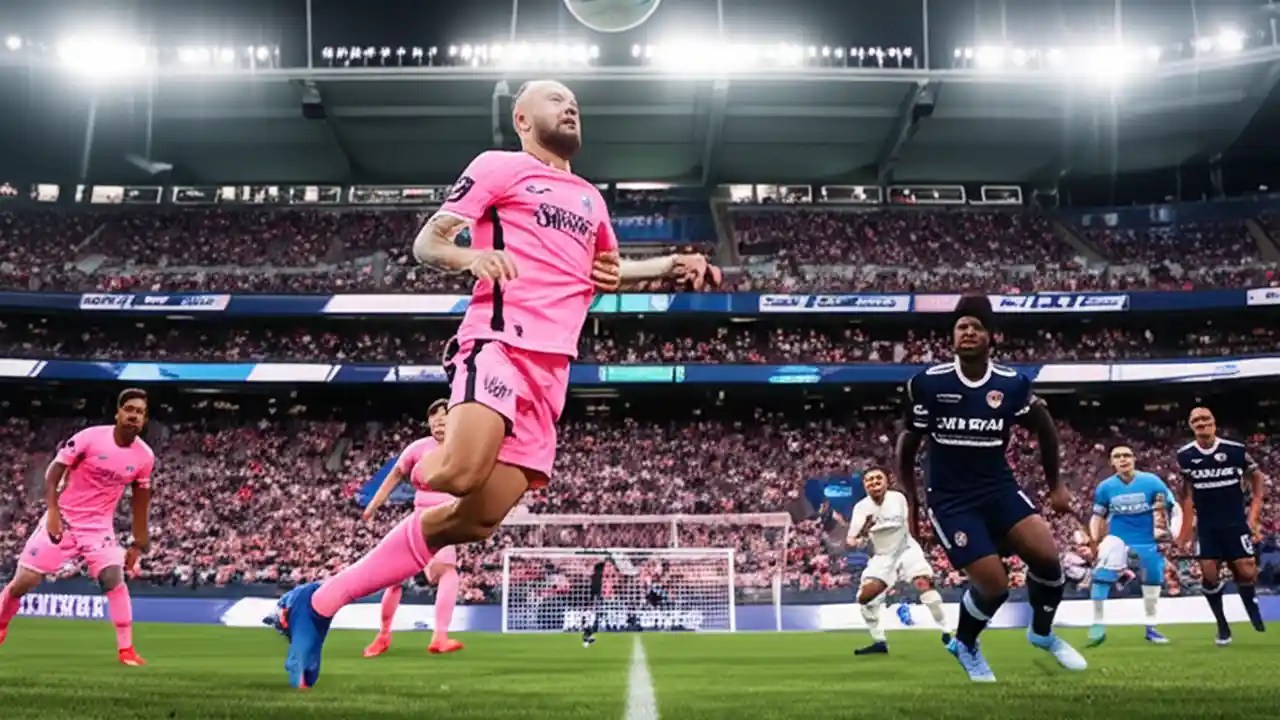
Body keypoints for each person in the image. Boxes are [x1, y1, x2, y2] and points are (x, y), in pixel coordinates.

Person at [273, 79, 717, 689]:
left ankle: (317, 603)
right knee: (455, 474)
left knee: (474, 521)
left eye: (574, 101)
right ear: (522, 118)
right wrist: (470, 258)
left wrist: (670, 264)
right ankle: (411, 463)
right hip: (498, 343)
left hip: (551, 374)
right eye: (554, 98)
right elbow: (428, 242)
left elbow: (602, 274)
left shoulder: (590, 199)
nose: (570, 105)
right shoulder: (500, 168)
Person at [896, 295, 1085, 683]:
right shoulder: (927, 384)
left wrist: (1056, 487)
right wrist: (912, 504)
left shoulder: (1011, 384)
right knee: (995, 585)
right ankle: (966, 643)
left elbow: (1045, 428)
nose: (967, 332)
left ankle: (1042, 633)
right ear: (952, 337)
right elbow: (908, 445)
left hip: (998, 488)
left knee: (1049, 560)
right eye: (961, 327)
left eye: (976, 327)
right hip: (950, 499)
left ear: (990, 337)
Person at [0, 388, 155, 666]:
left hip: (98, 528)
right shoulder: (90, 438)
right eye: (129, 409)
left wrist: (138, 543)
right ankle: (1, 624)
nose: (133, 416)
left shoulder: (144, 457)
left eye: (139, 412)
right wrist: (53, 512)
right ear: (118, 413)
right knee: (24, 583)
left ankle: (126, 651)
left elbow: (141, 501)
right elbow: (53, 473)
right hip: (66, 518)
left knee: (113, 577)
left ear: (144, 420)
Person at [360, 399, 462, 657]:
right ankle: (383, 635)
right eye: (433, 417)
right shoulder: (418, 448)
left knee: (448, 572)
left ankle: (440, 636)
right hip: (419, 518)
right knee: (393, 579)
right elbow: (395, 474)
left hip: (446, 518)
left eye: (444, 416)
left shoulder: (463, 448)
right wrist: (374, 504)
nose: (438, 421)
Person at [1173, 407, 1267, 645]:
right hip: (1207, 524)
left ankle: (1251, 606)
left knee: (1246, 571)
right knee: (1209, 575)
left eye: (1205, 419)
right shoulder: (1185, 455)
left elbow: (1257, 477)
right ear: (1191, 425)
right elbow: (1187, 493)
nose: (1201, 423)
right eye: (1196, 420)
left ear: (1214, 423)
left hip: (1235, 521)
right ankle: (1222, 625)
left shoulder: (1235, 450)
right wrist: (1185, 531)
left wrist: (1253, 516)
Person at [846, 468, 953, 656]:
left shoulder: (898, 499)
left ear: (887, 482)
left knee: (924, 585)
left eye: (878, 478)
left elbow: (903, 523)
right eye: (869, 480)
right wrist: (863, 531)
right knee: (864, 599)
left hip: (905, 549)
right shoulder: (861, 508)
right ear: (864, 485)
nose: (874, 482)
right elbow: (851, 541)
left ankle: (948, 632)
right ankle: (879, 641)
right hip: (882, 555)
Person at [1086, 445, 1178, 646]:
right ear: (1112, 463)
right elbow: (1097, 516)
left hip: (1147, 538)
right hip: (1118, 537)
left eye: (1126, 455)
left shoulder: (1151, 481)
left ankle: (1151, 628)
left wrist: (1175, 534)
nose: (1122, 459)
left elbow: (1173, 507)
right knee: (1100, 575)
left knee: (1153, 580)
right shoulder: (1105, 487)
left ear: (1134, 459)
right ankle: (1098, 623)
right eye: (1117, 456)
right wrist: (1094, 541)